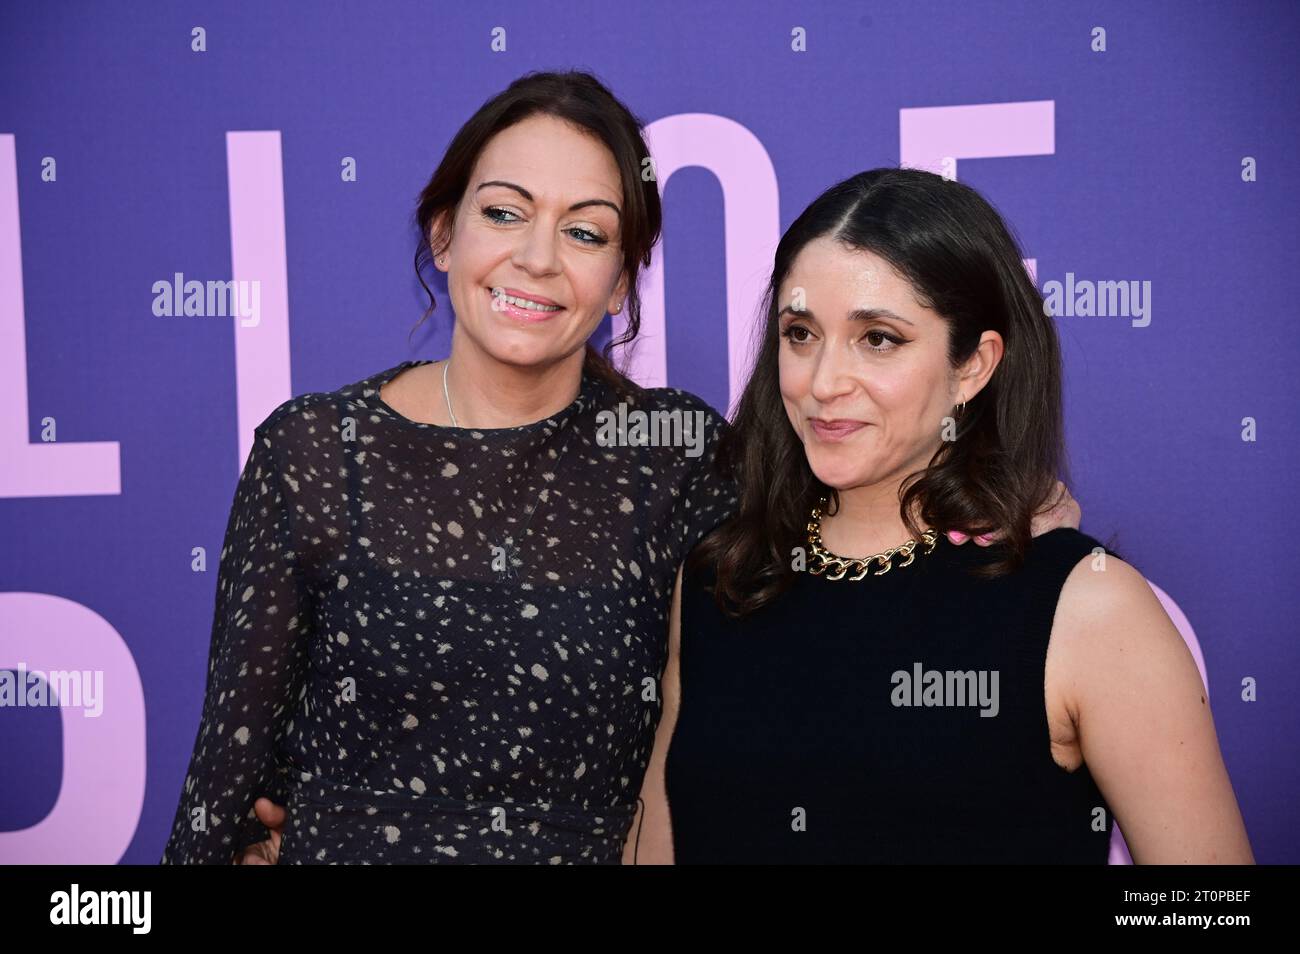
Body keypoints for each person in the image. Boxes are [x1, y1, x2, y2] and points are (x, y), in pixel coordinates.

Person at [161, 73, 1078, 865]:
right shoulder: (316, 449)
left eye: (586, 232)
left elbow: (846, 564)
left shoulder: (674, 455)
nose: (536, 256)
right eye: (504, 212)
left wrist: (1001, 547)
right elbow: (226, 769)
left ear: (625, 278)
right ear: (444, 235)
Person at [634, 168, 1254, 864]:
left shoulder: (1087, 608)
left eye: (879, 339)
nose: (824, 382)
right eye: (801, 333)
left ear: (974, 366)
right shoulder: (723, 579)